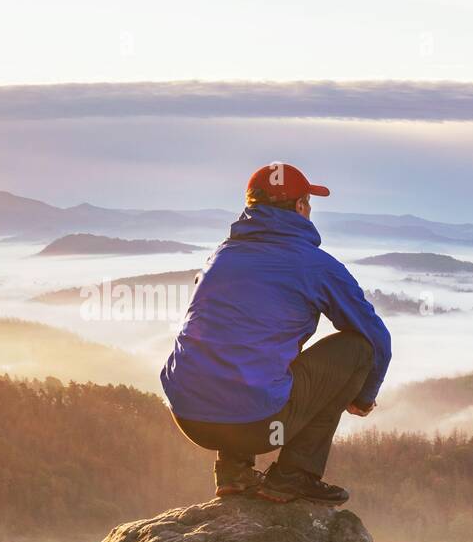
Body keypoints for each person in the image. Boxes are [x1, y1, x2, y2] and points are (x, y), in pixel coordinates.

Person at [160, 163, 391, 506]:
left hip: (190, 417)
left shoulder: (219, 258)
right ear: (300, 207)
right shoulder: (314, 265)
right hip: (259, 427)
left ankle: (233, 472)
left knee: (241, 345)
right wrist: (362, 396)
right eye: (308, 203)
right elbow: (375, 338)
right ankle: (293, 476)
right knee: (357, 348)